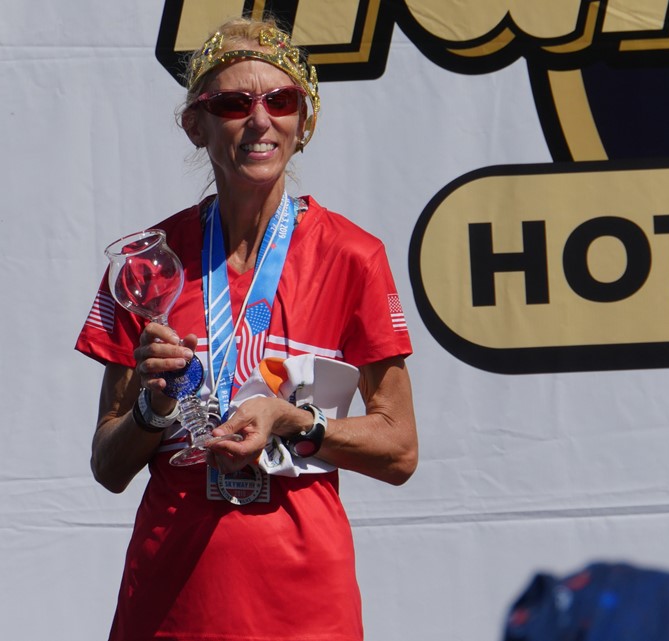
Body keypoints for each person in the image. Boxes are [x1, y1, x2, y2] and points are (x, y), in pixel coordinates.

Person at [75, 16, 418, 641]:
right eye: (233, 102)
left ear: (301, 119)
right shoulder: (151, 265)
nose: (259, 120)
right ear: (196, 124)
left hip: (306, 604)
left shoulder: (353, 256)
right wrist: (153, 411)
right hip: (173, 603)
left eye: (279, 100)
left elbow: (400, 450)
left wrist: (296, 423)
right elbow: (107, 465)